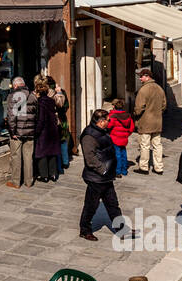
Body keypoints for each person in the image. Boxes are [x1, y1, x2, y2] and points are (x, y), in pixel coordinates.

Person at [78, 109, 137, 242]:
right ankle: (85, 230)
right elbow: (90, 158)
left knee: (112, 204)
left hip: (106, 177)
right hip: (96, 177)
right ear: (101, 121)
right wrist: (103, 169)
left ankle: (121, 229)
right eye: (108, 120)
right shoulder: (89, 136)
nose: (109, 122)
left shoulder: (101, 132)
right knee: (91, 205)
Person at [132, 68, 167, 175]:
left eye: (141, 76)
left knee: (145, 145)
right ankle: (158, 167)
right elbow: (164, 105)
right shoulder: (159, 89)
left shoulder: (143, 90)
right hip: (157, 121)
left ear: (147, 76)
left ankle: (143, 167)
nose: (140, 78)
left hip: (145, 122)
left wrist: (135, 115)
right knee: (157, 145)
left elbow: (139, 108)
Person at [4, 76, 36, 188]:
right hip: (30, 131)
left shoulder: (13, 96)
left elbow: (11, 116)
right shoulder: (32, 95)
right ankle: (29, 181)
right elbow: (36, 114)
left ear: (15, 85)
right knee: (28, 157)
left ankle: (15, 181)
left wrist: (12, 131)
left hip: (17, 131)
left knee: (16, 156)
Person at [32, 75, 61, 184]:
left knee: (42, 153)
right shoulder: (51, 101)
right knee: (52, 153)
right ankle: (53, 174)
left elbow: (41, 119)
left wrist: (37, 131)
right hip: (53, 129)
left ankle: (44, 175)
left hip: (44, 130)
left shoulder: (40, 103)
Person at [106, 98, 134, 176]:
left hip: (115, 138)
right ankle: (124, 170)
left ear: (114, 106)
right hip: (124, 139)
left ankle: (117, 171)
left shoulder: (113, 116)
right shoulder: (128, 116)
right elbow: (131, 128)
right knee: (123, 154)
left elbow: (108, 126)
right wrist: (126, 134)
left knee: (117, 155)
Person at [53, 86, 73, 172]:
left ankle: (60, 164)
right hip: (63, 119)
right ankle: (65, 162)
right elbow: (67, 105)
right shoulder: (62, 92)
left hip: (57, 120)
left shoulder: (52, 93)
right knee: (63, 141)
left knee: (58, 142)